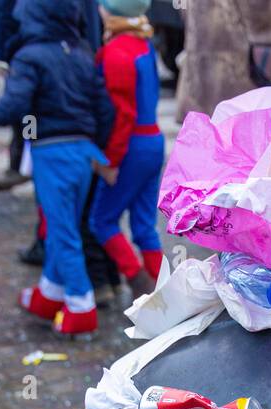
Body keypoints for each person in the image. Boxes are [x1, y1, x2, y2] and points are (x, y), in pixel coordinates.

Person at [0, 0, 113, 336]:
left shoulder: (29, 55)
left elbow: (17, 102)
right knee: (60, 224)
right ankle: (51, 292)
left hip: (52, 152)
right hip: (82, 152)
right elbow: (104, 108)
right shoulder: (81, 52)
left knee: (63, 229)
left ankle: (81, 305)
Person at [88, 0, 164, 300]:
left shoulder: (116, 51)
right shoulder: (144, 44)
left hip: (132, 146)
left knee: (102, 220)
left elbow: (122, 115)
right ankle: (164, 290)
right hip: (153, 140)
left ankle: (138, 279)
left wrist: (110, 159)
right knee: (145, 225)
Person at [176, 0, 271, 121]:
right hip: (258, 83)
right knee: (264, 145)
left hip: (204, 82)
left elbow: (184, 12)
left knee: (211, 144)